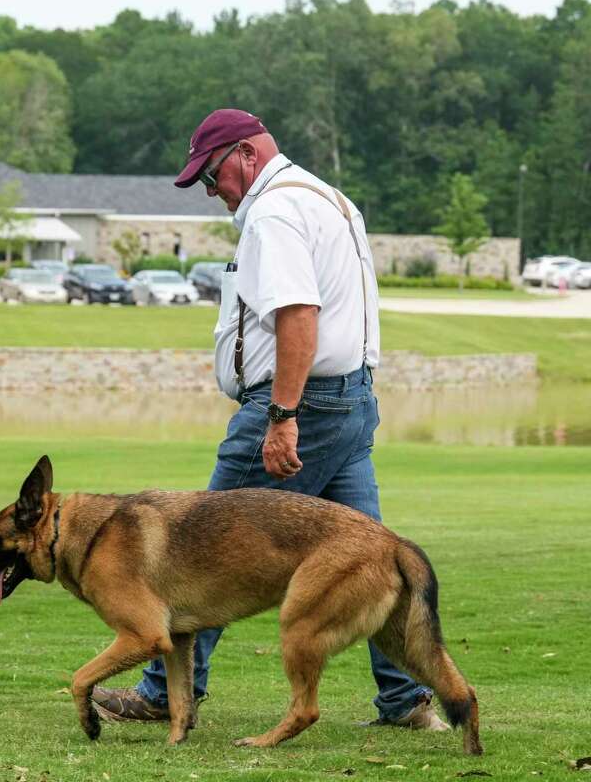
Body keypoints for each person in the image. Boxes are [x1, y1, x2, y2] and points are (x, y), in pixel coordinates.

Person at [91, 109, 448, 731]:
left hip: (301, 404)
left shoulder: (275, 211)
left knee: (199, 545)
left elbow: (299, 315)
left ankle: (162, 693)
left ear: (246, 156)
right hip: (350, 401)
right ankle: (407, 702)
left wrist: (282, 416)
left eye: (212, 176)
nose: (212, 192)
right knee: (370, 554)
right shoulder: (328, 197)